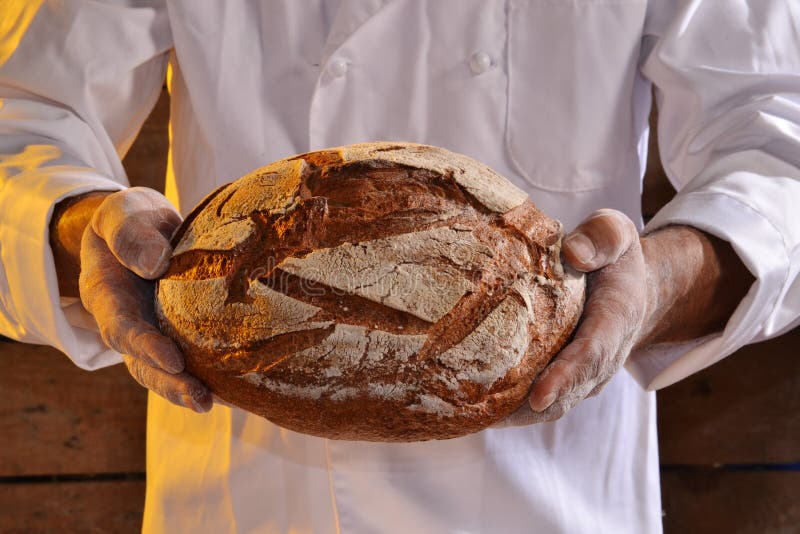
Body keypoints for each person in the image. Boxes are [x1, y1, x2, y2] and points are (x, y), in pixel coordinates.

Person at [1, 1, 798, 532]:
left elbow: (780, 142)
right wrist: (78, 231)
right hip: (254, 500)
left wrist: (656, 286)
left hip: (554, 505)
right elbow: (22, 110)